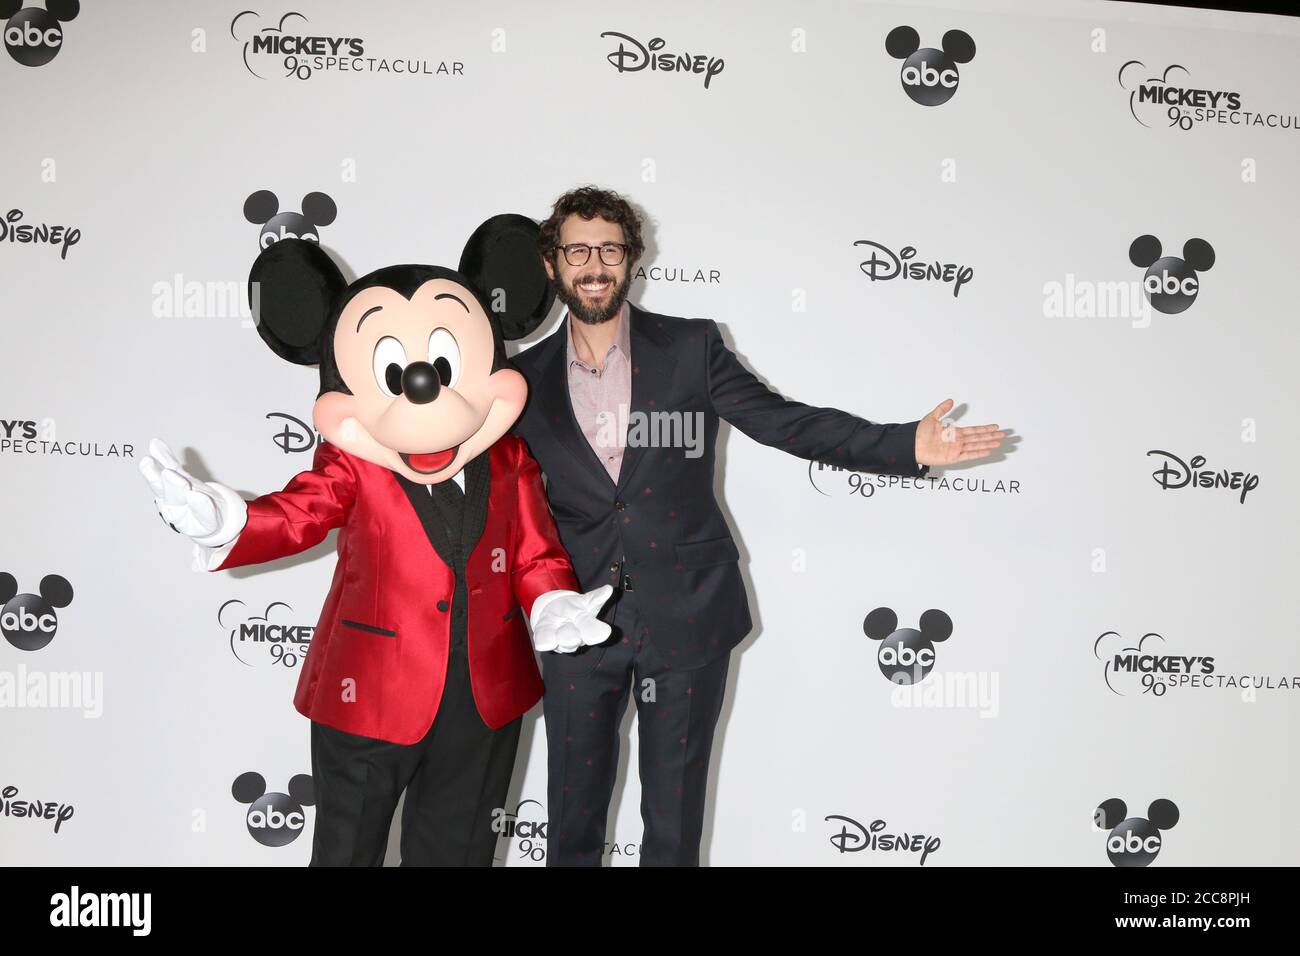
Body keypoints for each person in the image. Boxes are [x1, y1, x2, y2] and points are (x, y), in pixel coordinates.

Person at [510, 186, 1006, 866]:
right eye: (577, 249)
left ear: (631, 260)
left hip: (686, 619)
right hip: (574, 622)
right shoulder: (516, 382)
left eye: (610, 248)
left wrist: (903, 446)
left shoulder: (690, 347)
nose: (594, 263)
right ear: (552, 262)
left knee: (674, 829)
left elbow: (786, 422)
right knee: (569, 824)